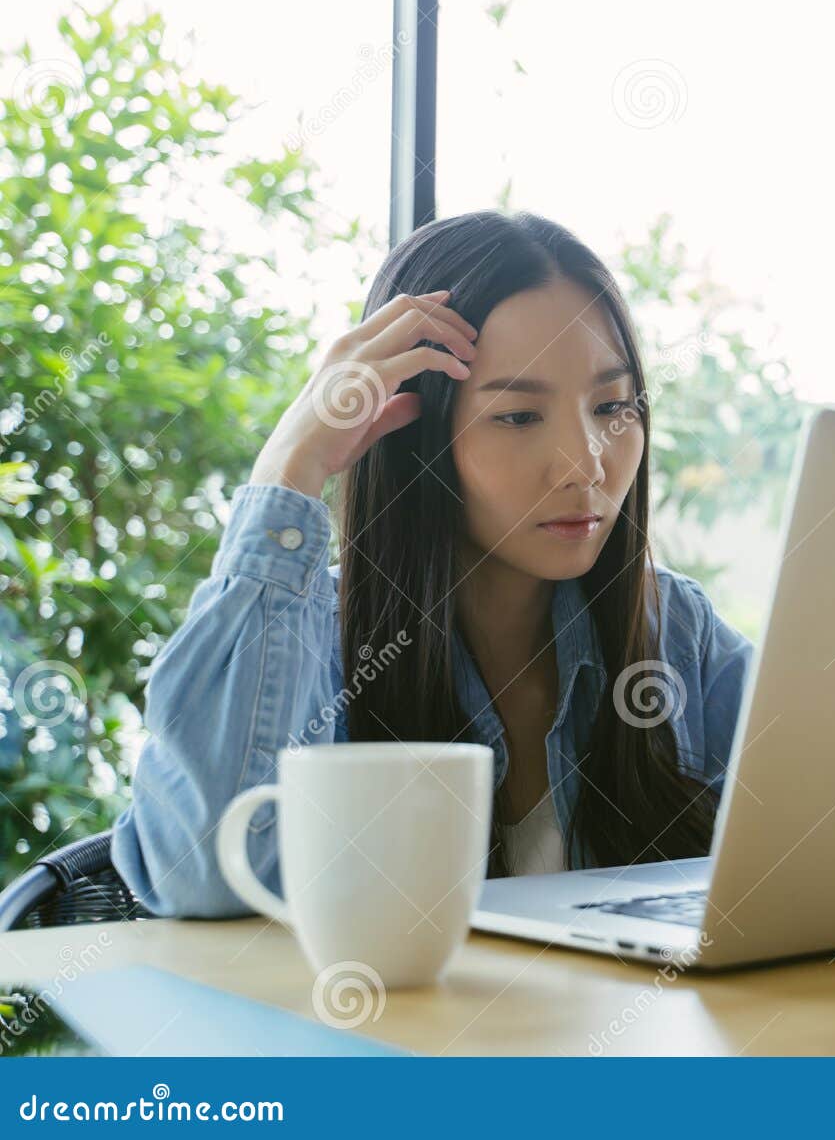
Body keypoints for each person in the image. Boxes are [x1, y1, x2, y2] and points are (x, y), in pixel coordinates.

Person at [110, 211, 753, 918]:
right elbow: (200, 872)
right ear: (416, 431)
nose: (586, 461)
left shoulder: (675, 634)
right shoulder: (313, 647)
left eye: (612, 405)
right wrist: (291, 465)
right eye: (518, 416)